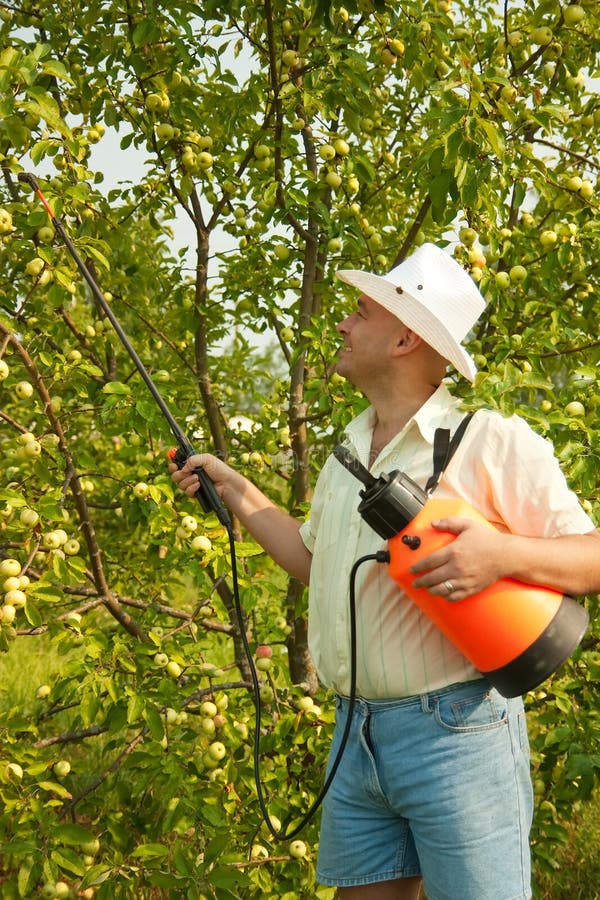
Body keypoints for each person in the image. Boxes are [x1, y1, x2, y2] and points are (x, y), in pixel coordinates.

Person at [170, 242, 600, 900]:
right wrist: (232, 487)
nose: (343, 324)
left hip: (456, 733)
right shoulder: (348, 449)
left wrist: (501, 554)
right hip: (355, 734)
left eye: (360, 313)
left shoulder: (490, 439)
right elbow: (314, 562)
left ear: (404, 339)